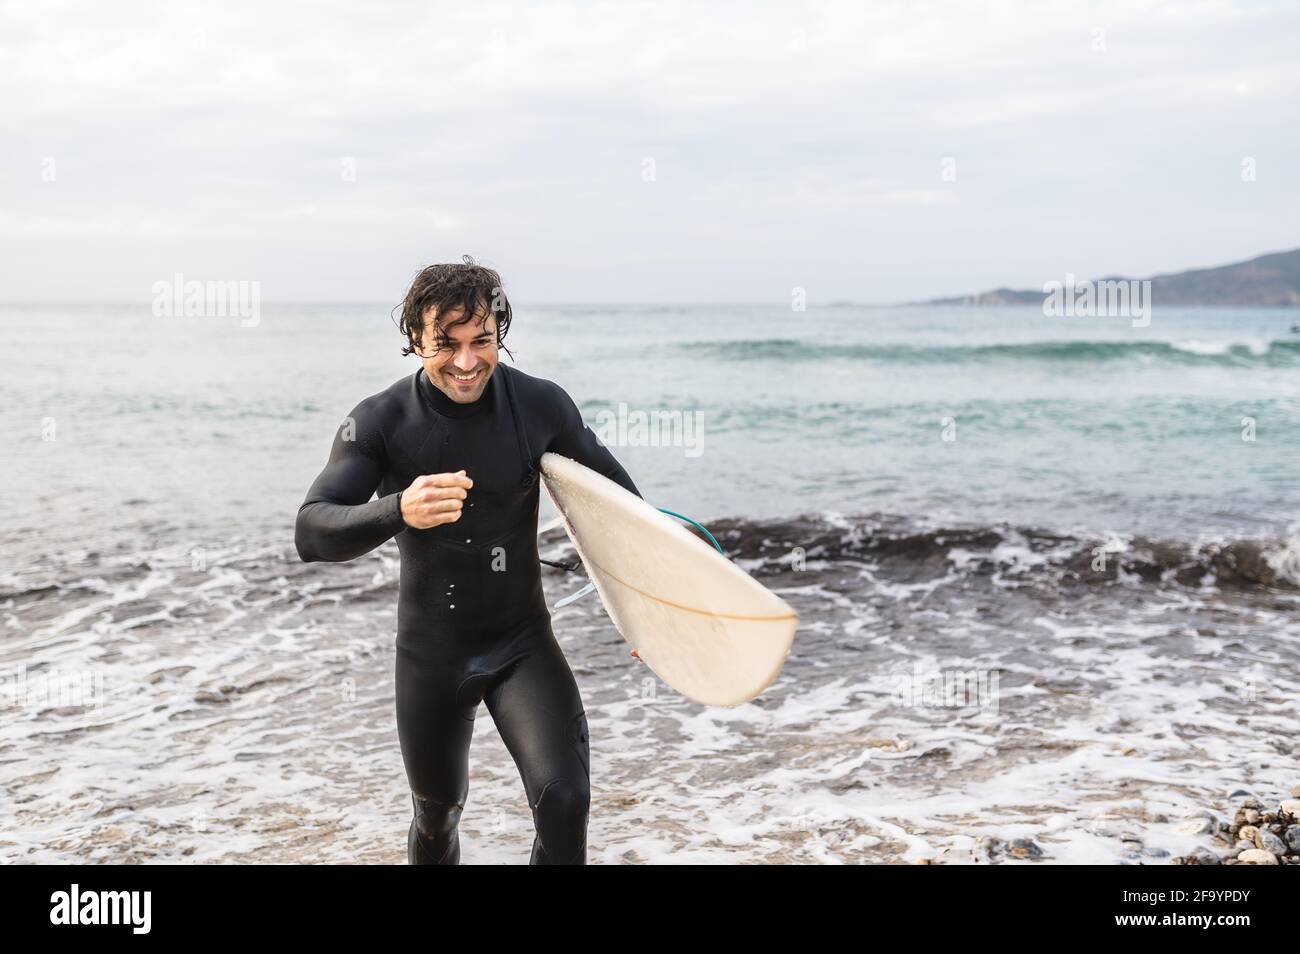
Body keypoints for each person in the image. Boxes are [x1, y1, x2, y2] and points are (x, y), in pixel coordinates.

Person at [294, 256, 641, 864]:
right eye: (444, 343)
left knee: (565, 799)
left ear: (500, 330)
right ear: (413, 340)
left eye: (482, 340)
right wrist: (400, 508)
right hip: (432, 653)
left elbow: (622, 508)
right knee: (436, 816)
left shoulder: (541, 406)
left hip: (522, 643)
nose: (466, 361)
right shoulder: (379, 421)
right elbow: (313, 530)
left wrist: (651, 613)